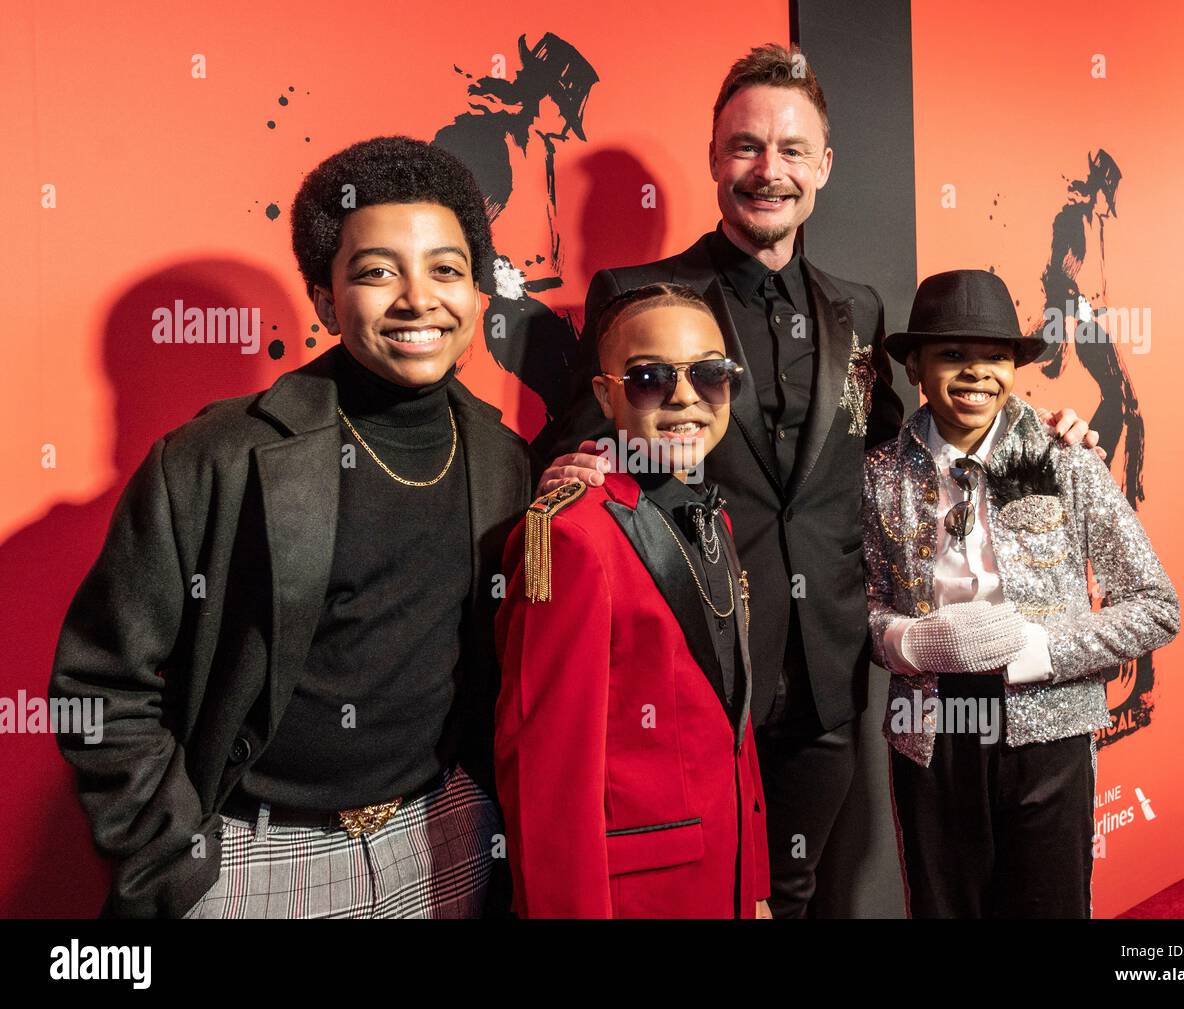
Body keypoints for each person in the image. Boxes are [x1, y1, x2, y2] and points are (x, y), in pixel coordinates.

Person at [535, 43, 1102, 917]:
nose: (769, 171)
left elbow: (910, 453)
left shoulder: (859, 308)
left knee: (797, 894)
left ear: (825, 165)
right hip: (694, 670)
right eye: (747, 146)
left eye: (793, 150)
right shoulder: (636, 294)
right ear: (716, 156)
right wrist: (574, 473)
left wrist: (1039, 431)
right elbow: (581, 465)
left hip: (830, 668)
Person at [48, 137, 534, 918]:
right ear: (323, 297)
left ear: (477, 291)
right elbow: (97, 685)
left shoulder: (503, 456)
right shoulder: (217, 456)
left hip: (445, 837)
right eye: (378, 271)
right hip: (258, 859)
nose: (419, 298)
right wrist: (179, 869)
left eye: (446, 269)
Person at [862, 269, 1180, 918]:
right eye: (953, 354)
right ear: (916, 365)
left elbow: (1156, 605)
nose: (977, 371)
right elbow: (861, 605)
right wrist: (904, 639)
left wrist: (1041, 649)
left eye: (995, 355)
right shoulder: (879, 473)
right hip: (930, 736)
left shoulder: (1065, 458)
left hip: (1050, 732)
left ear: (1015, 366)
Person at [495, 283, 770, 918]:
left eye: (709, 374)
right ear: (604, 394)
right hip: (635, 895)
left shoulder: (714, 520)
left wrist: (753, 883)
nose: (685, 397)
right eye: (649, 378)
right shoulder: (572, 537)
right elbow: (547, 778)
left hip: (723, 880)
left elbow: (735, 723)